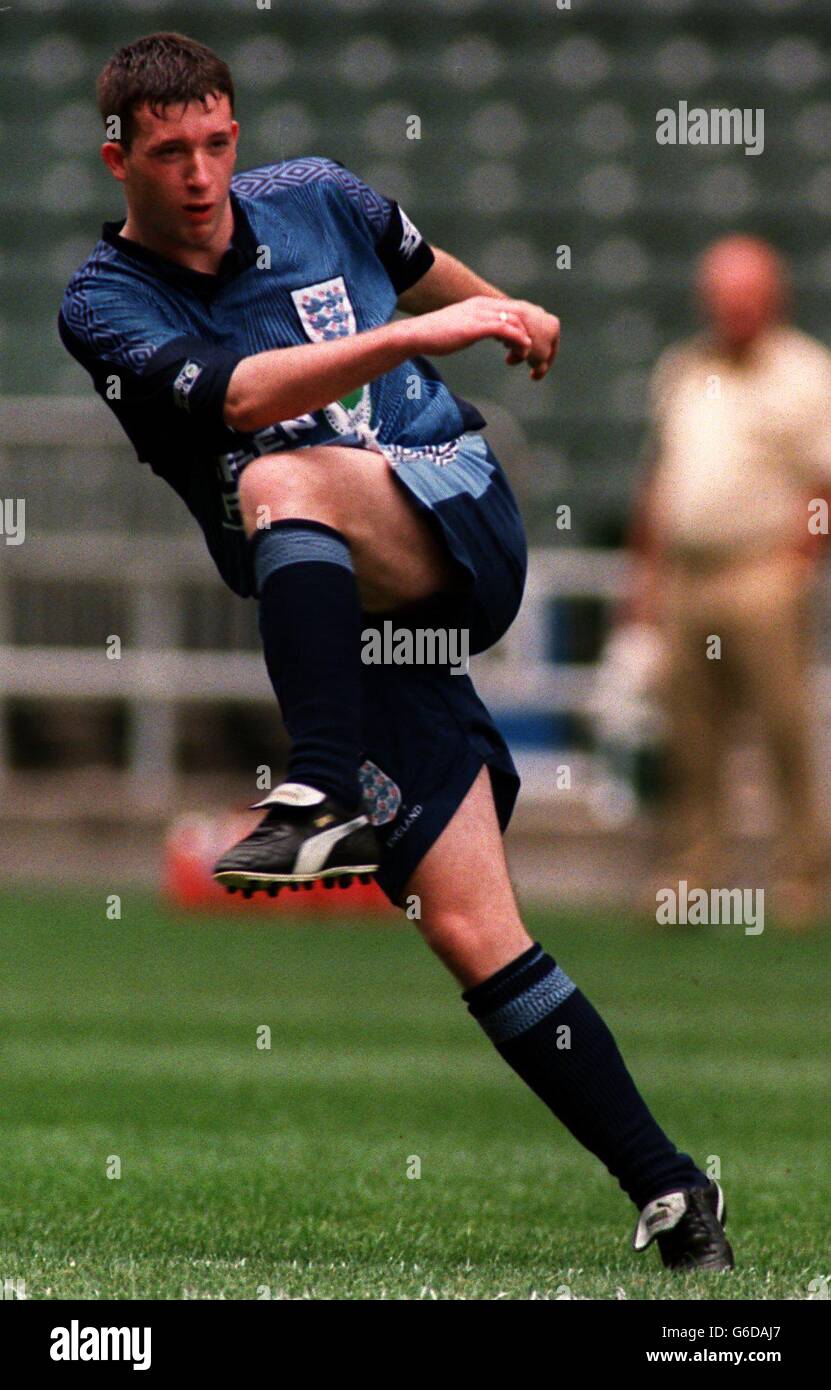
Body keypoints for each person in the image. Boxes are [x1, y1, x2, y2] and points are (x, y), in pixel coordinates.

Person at [58, 31, 732, 1271]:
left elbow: (414, 265)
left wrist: (501, 313)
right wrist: (431, 333)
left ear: (236, 138)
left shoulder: (319, 194)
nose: (200, 171)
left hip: (450, 503)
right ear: (119, 159)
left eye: (216, 141)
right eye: (169, 152)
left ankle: (314, 787)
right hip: (354, 618)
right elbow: (245, 393)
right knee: (474, 929)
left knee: (282, 485)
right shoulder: (104, 307)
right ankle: (675, 1193)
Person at [636, 235, 831, 926]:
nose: (733, 308)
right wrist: (646, 585)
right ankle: (692, 878)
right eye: (722, 295)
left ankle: (803, 881)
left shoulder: (805, 372)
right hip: (689, 575)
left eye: (745, 294)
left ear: (771, 298)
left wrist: (798, 561)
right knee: (689, 736)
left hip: (762, 571)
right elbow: (660, 479)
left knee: (783, 729)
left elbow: (824, 480)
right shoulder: (684, 368)